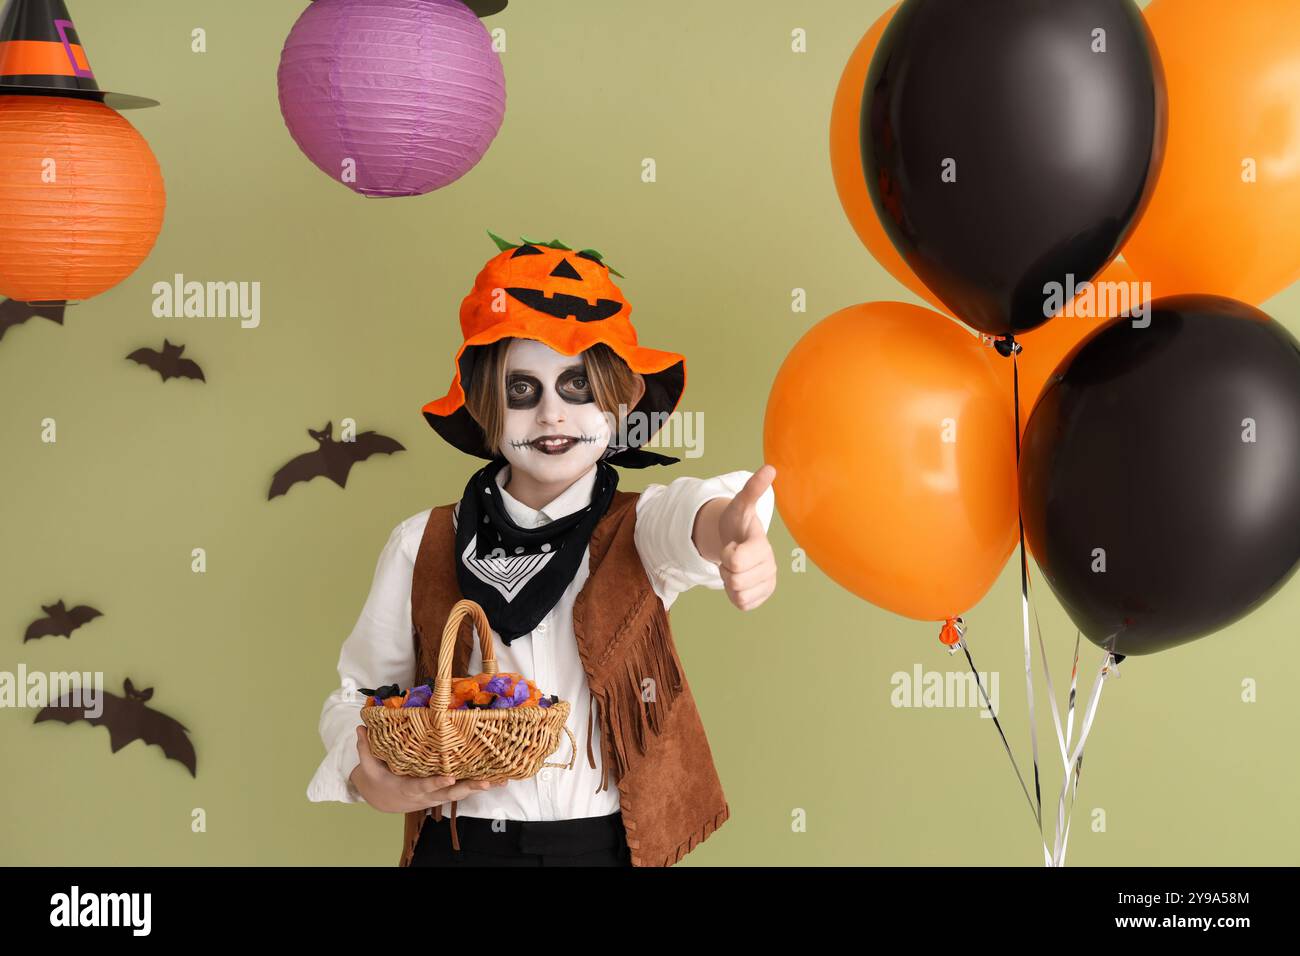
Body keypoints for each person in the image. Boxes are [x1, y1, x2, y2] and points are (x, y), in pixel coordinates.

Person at [306, 233, 777, 866]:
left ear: (618, 402)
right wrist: (369, 777)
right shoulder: (422, 542)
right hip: (460, 845)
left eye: (577, 385)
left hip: (605, 847)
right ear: (485, 409)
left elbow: (692, 516)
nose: (552, 414)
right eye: (522, 391)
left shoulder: (637, 527)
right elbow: (360, 695)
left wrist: (730, 530)